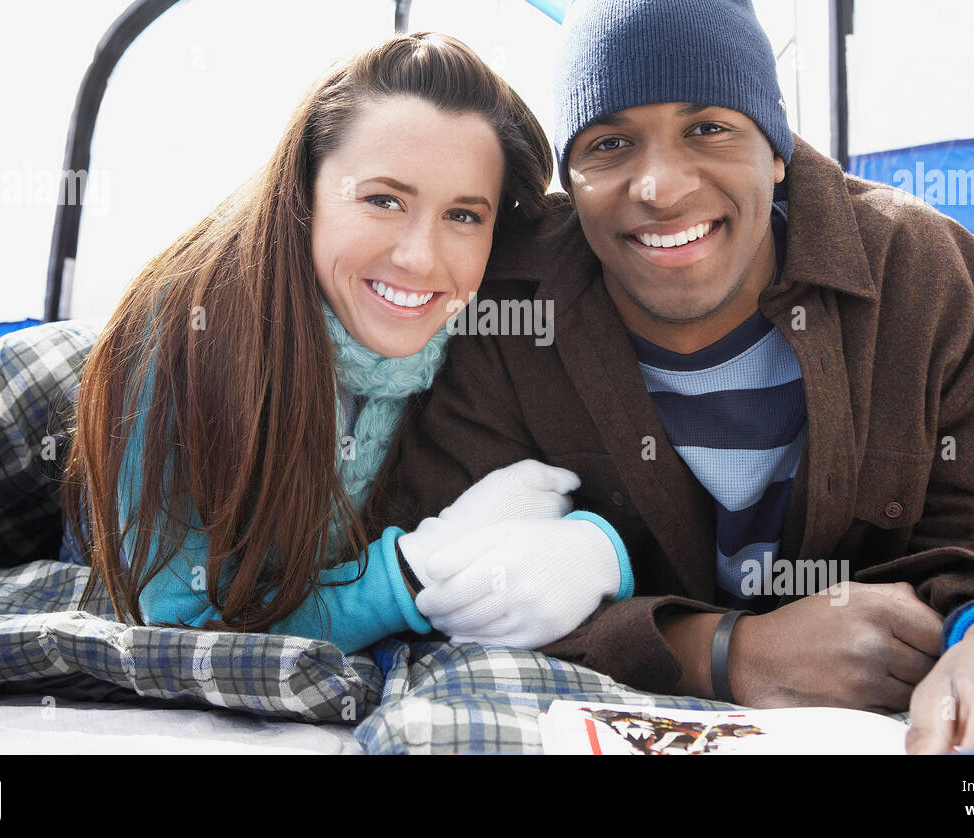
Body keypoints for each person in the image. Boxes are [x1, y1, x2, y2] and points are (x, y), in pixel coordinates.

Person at [365, 0, 974, 752]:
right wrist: (724, 652)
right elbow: (442, 582)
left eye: (709, 129)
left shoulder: (924, 272)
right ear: (573, 180)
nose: (658, 186)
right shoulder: (507, 308)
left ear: (776, 150)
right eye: (610, 143)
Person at [59, 33, 633, 655]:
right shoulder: (185, 342)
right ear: (303, 188)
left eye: (464, 216)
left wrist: (598, 552)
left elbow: (620, 503)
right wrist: (412, 572)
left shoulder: (490, 325)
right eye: (382, 200)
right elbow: (181, 632)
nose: (419, 257)